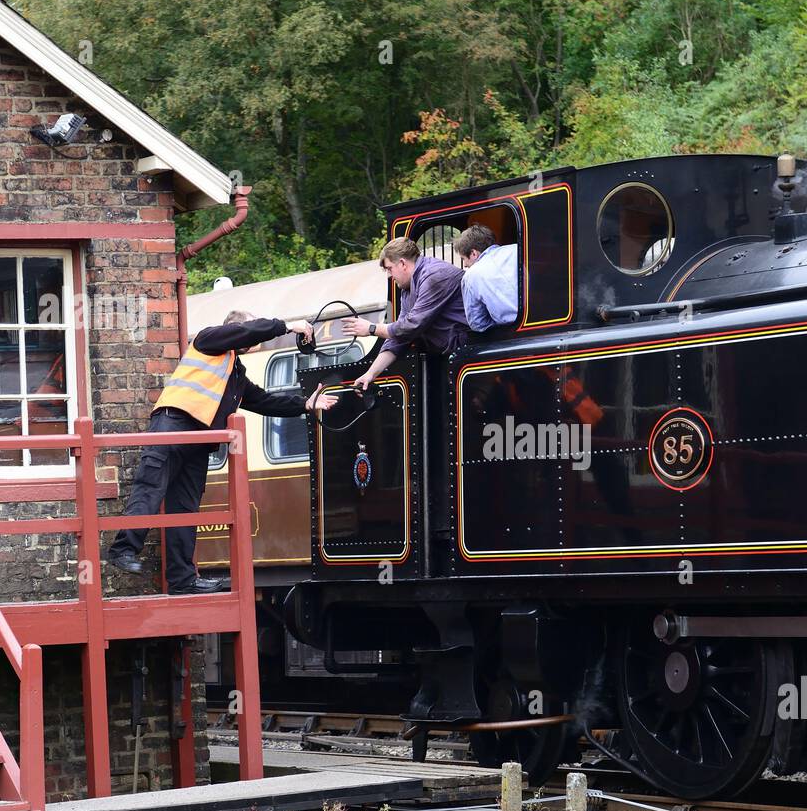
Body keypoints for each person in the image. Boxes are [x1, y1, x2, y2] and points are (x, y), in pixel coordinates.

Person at [107, 311, 336, 593]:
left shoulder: (235, 373)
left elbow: (264, 401)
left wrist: (305, 405)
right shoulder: (209, 339)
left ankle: (183, 580)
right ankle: (124, 549)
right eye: (246, 333)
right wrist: (287, 326)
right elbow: (248, 332)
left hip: (200, 439)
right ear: (235, 329)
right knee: (151, 485)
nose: (250, 342)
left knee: (186, 508)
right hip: (173, 423)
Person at [339, 237, 469, 394]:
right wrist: (370, 374)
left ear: (402, 263)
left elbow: (410, 326)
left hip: (469, 352)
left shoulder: (434, 275)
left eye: (389, 268)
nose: (388, 275)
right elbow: (398, 337)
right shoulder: (407, 290)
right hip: (454, 358)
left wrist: (372, 328)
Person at [453, 224, 519, 332]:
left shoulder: (470, 276)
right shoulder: (517, 249)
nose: (464, 265)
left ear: (474, 253)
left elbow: (478, 323)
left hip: (509, 331)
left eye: (463, 258)